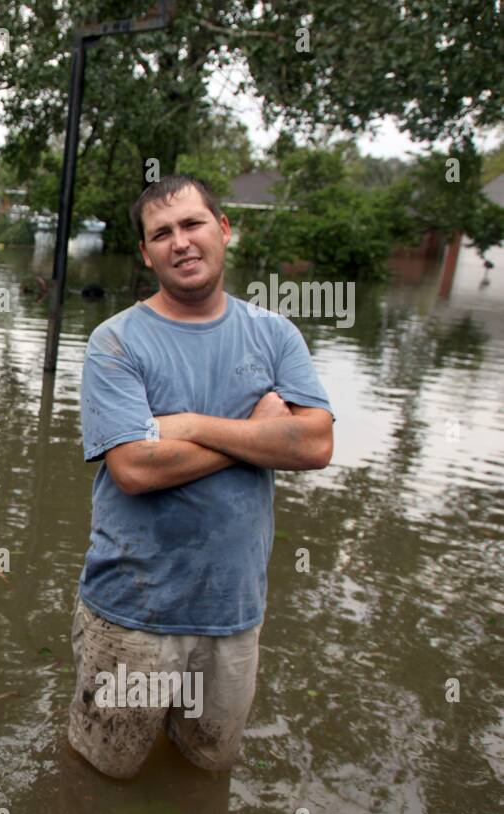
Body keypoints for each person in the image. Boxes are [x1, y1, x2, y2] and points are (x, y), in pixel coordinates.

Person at [68, 174, 334, 779]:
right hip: (134, 615)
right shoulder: (116, 343)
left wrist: (187, 425)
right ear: (146, 253)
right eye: (161, 233)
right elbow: (134, 467)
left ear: (223, 229)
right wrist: (257, 435)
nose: (180, 242)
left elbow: (315, 444)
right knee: (101, 775)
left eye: (192, 224)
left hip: (233, 613)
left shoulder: (274, 335)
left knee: (204, 770)